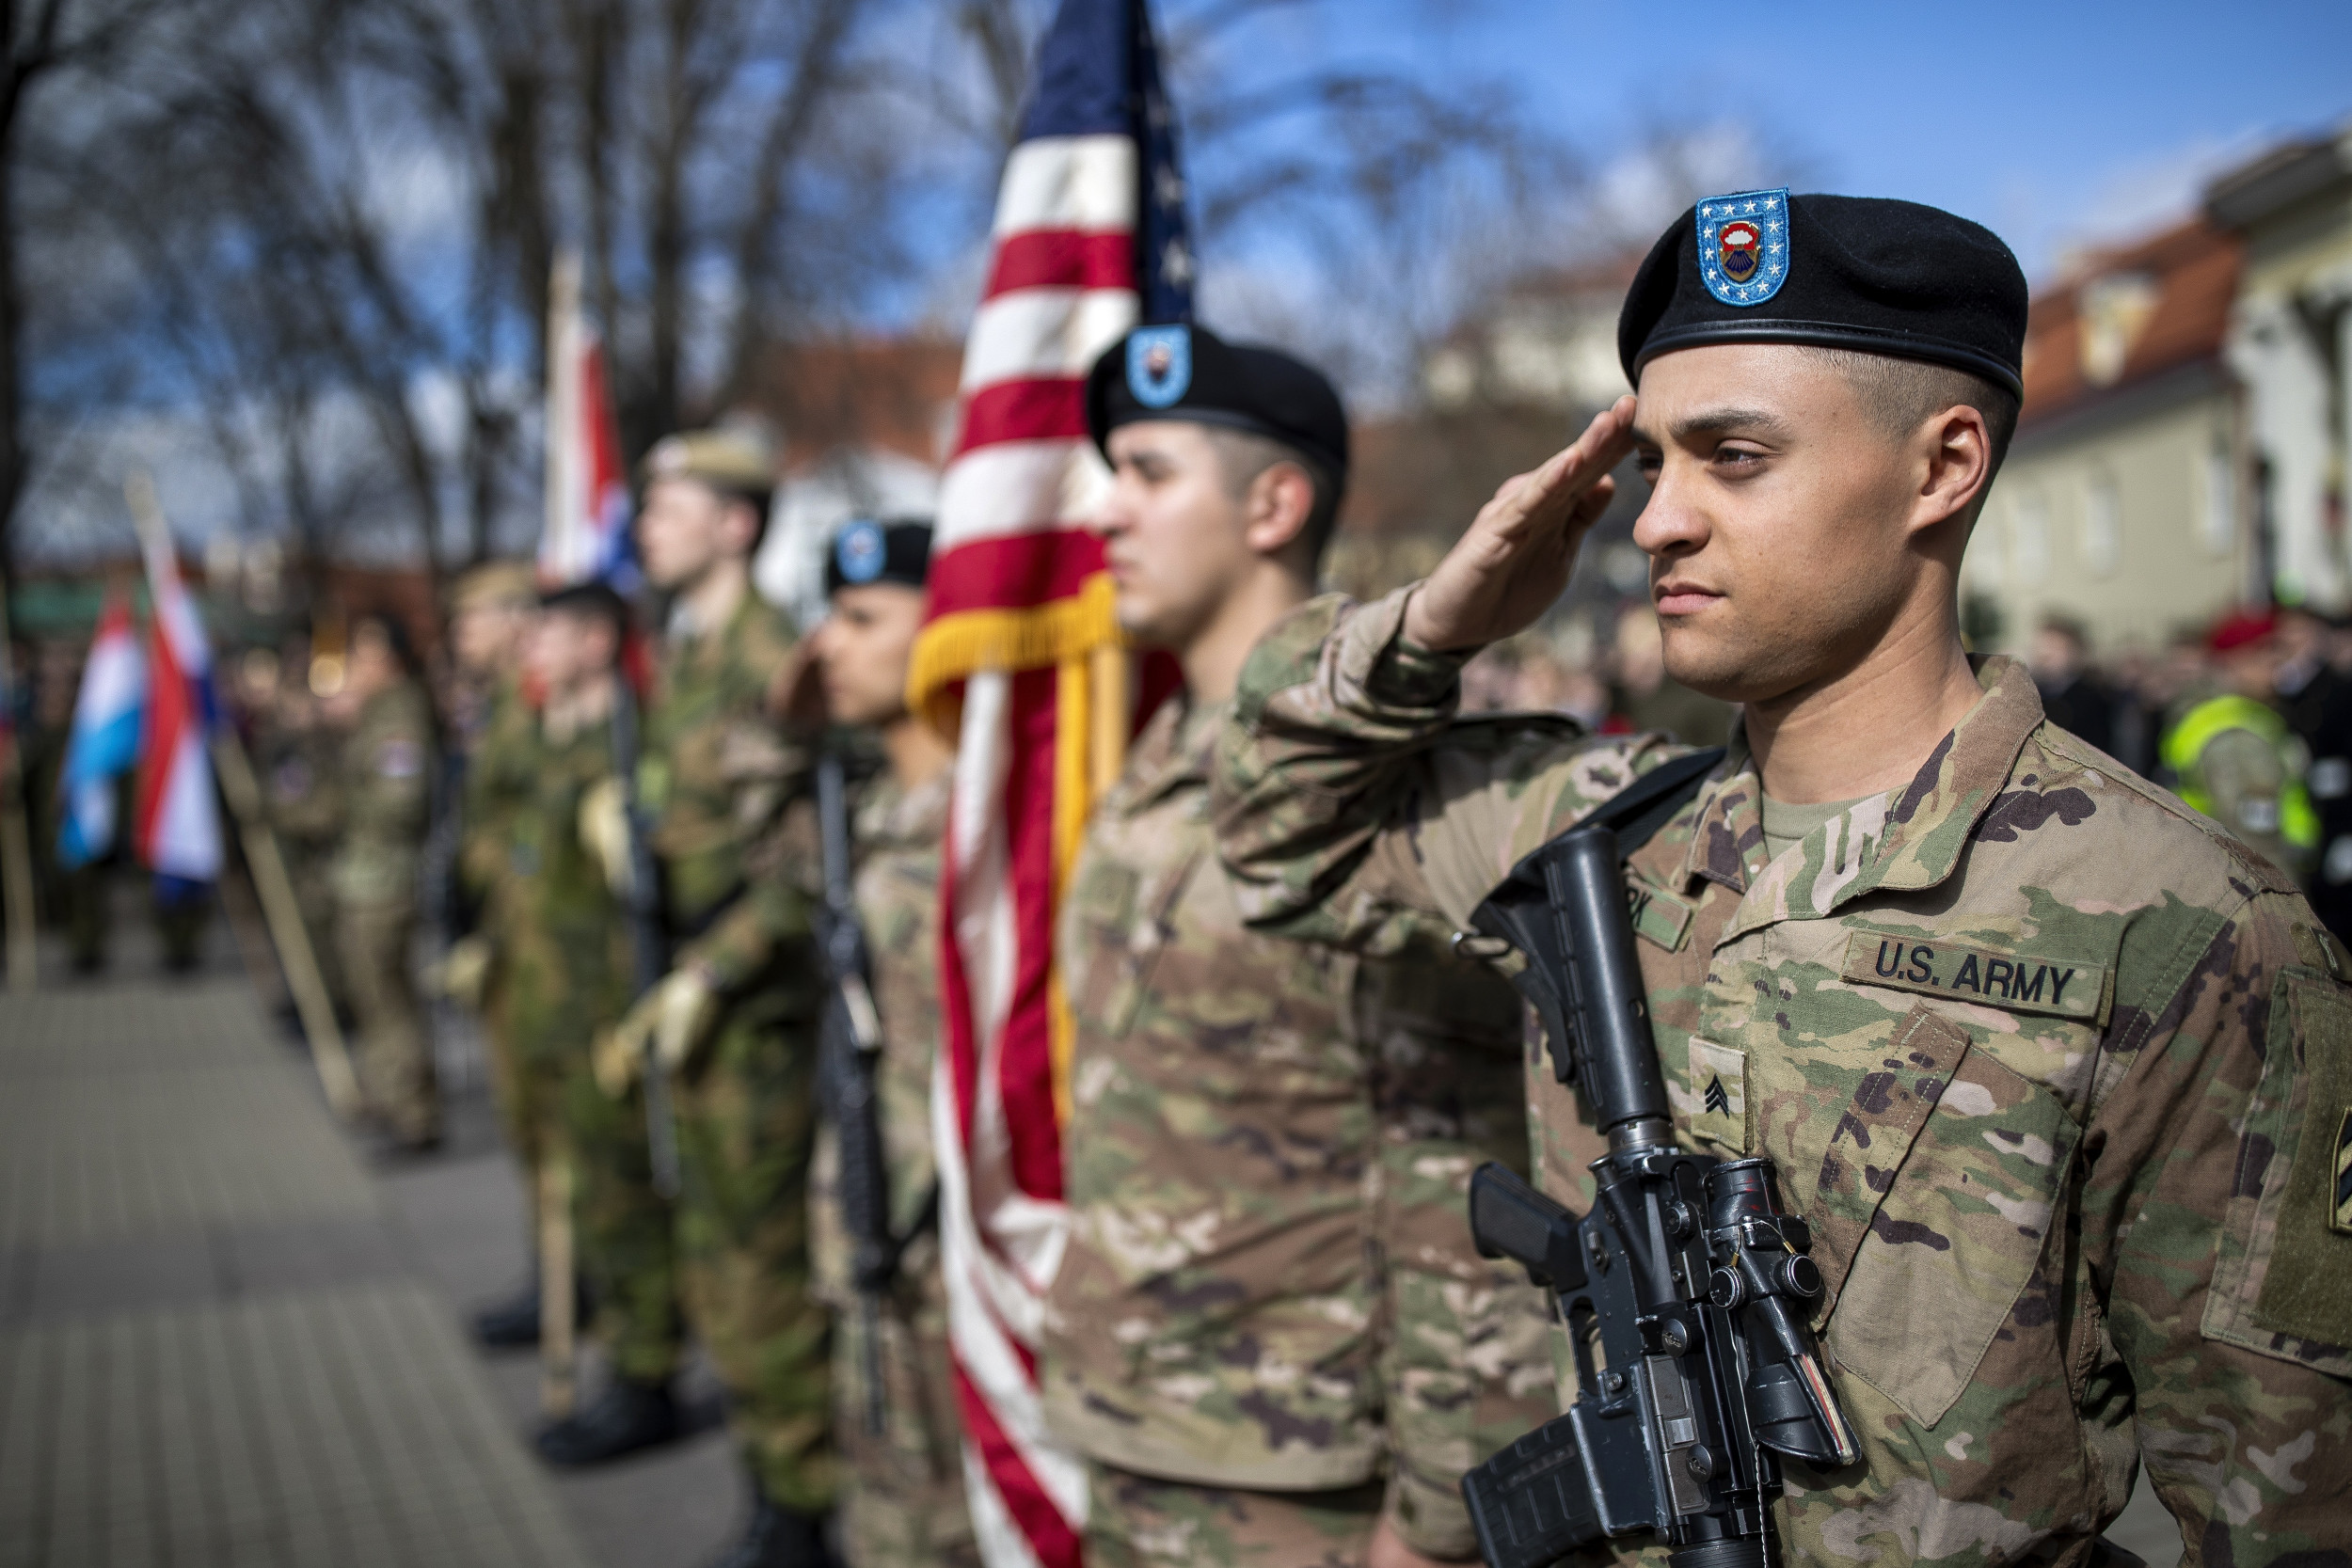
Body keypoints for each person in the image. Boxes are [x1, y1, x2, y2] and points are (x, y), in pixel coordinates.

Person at [1211, 191, 2350, 1561]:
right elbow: (1274, 831)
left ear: (1944, 466)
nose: (1655, 524)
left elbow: (2286, 1498)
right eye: (1649, 467)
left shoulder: (2185, 926)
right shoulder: (1594, 829)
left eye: (1733, 457)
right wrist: (1433, 623)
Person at [1042, 325, 1558, 1568]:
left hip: (1315, 1472)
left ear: (1272, 503)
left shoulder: (1375, 785)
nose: (1106, 512)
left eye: (1150, 473)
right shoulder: (1159, 756)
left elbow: (1465, 1155)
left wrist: (1443, 1518)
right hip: (1145, 1424)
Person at [594, 428, 834, 1568]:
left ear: (735, 523)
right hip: (696, 1000)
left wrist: (708, 969)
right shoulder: (680, 656)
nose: (645, 524)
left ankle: (801, 1504)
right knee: (712, 1251)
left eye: (669, 504)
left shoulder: (768, 655)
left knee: (759, 1265)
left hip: (754, 1016)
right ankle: (767, 1478)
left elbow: (804, 862)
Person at [456, 583, 692, 1458]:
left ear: (598, 640)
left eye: (549, 628)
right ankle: (587, 1328)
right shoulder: (541, 736)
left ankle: (645, 1373)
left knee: (621, 1195)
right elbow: (495, 839)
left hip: (604, 1015)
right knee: (564, 1180)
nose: (531, 643)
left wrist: (638, 837)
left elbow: (666, 877)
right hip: (534, 997)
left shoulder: (636, 740)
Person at [802, 517, 977, 1568]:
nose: (827, 643)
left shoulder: (985, 827)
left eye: (862, 618)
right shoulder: (868, 807)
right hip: (874, 1239)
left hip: (949, 1261)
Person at [325, 610, 439, 1155]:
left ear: (387, 658)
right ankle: (390, 1095)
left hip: (385, 879)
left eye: (363, 654)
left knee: (389, 999)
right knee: (372, 997)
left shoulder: (399, 715)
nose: (354, 666)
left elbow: (401, 800)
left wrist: (333, 808)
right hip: (364, 876)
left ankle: (414, 1113)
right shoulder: (376, 714)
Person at [2160, 610, 2318, 878]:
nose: (2276, 669)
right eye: (2266, 659)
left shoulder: (2221, 715)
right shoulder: (2236, 733)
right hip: (2259, 886)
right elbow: (2255, 843)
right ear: (2233, 662)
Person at [2274, 604, 2352, 938]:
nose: (2289, 640)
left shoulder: (2336, 689)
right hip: (2307, 817)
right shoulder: (2290, 687)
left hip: (2338, 817)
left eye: (2299, 631)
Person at [2026, 613, 2117, 756]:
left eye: (2055, 648)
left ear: (2074, 652)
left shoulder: (2092, 698)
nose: (2046, 655)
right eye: (2042, 647)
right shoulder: (2029, 693)